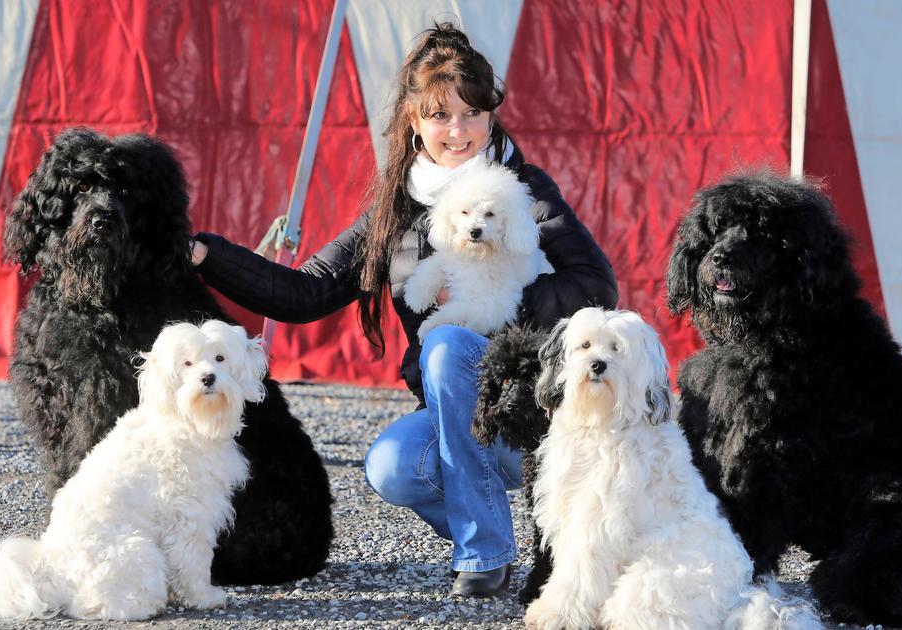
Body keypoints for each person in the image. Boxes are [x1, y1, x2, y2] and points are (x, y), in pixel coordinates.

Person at [189, 23, 617, 597]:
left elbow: (596, 285)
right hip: (451, 411)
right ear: (415, 123)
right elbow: (305, 292)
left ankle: (483, 554)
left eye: (471, 113)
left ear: (491, 115)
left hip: (528, 408)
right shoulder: (395, 210)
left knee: (444, 344)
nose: (458, 130)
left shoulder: (522, 190)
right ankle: (506, 535)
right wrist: (203, 254)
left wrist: (496, 303)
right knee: (392, 465)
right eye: (441, 116)